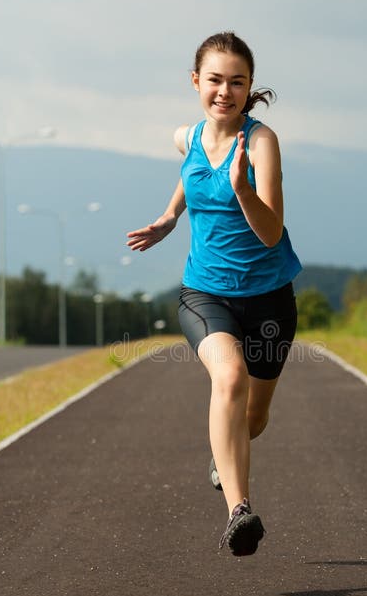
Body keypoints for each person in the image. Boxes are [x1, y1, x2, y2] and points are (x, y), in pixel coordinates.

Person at [127, 31, 301, 557]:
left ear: (250, 88)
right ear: (196, 81)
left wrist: (243, 188)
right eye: (215, 80)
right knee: (230, 378)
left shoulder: (262, 141)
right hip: (205, 293)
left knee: (254, 419)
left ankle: (224, 457)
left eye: (238, 82)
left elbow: (271, 232)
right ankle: (239, 512)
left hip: (270, 297)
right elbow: (190, 162)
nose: (225, 91)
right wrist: (169, 217)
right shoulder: (190, 134)